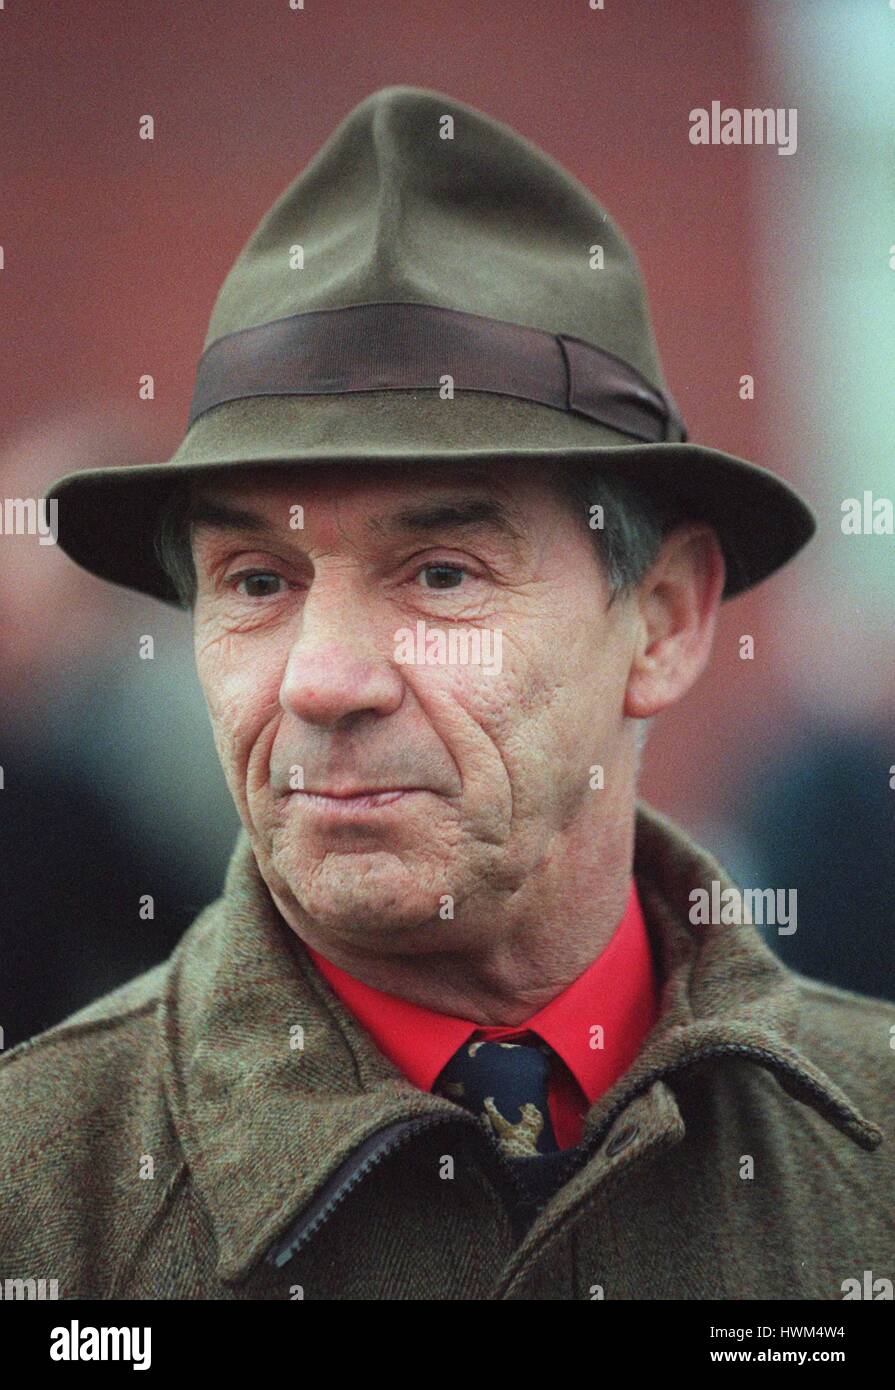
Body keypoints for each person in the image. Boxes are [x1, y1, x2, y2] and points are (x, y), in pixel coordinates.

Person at [1, 86, 891, 1301]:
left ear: (667, 619)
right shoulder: (39, 1205)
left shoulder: (868, 1163)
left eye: (439, 572)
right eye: (256, 578)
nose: (323, 678)